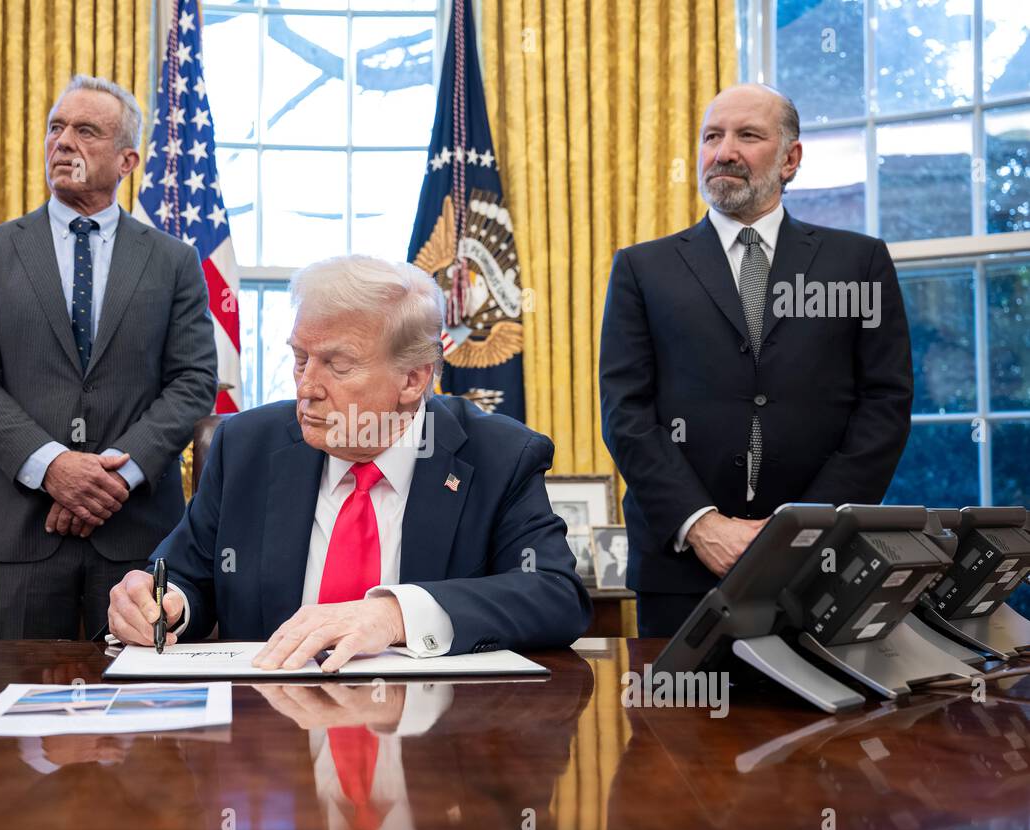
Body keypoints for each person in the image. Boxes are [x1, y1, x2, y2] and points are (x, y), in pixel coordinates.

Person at [107, 254, 592, 669]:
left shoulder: (498, 456)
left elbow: (553, 596)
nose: (306, 387)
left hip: (436, 746)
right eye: (300, 359)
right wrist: (162, 603)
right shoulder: (246, 446)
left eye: (338, 366)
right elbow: (188, 576)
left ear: (413, 379)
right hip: (272, 743)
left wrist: (395, 615)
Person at [598, 83, 913, 637]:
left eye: (748, 135)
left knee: (826, 723)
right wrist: (701, 525)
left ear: (790, 158)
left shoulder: (858, 261)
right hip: (681, 570)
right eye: (712, 136)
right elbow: (626, 413)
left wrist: (805, 530)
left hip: (823, 567)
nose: (724, 152)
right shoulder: (641, 270)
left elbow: (884, 405)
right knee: (679, 722)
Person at [0, 75, 217, 640]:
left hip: (138, 533)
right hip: (20, 530)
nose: (63, 141)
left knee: (142, 720)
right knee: (8, 712)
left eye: (85, 130)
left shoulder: (176, 262)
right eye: (56, 127)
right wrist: (54, 468)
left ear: (127, 160)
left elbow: (193, 381)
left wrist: (115, 476)